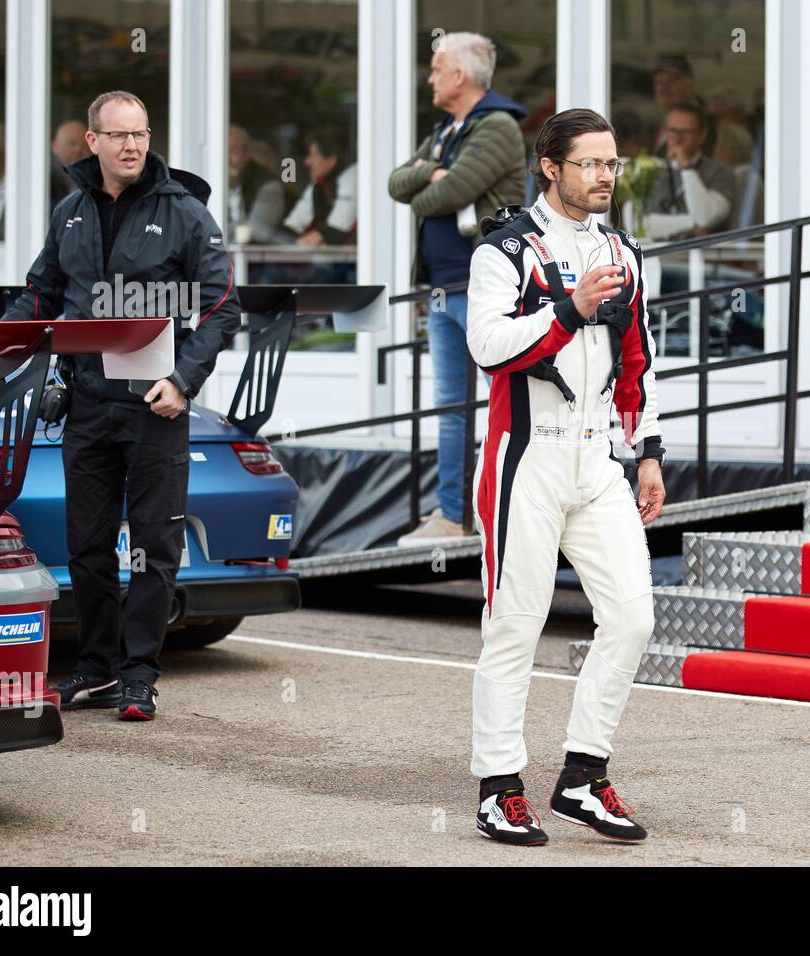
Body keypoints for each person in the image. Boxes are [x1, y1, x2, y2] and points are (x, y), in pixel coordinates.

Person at [0, 90, 240, 721]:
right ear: (92, 142)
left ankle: (140, 675)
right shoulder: (69, 212)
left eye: (141, 134)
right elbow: (40, 296)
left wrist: (183, 381)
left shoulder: (186, 213)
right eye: (119, 135)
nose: (132, 146)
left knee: (153, 545)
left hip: (157, 407)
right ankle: (94, 669)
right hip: (87, 402)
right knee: (87, 545)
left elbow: (223, 306)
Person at [466, 107, 666, 846]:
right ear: (551, 167)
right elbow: (486, 346)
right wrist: (566, 309)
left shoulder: (623, 250)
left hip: (597, 461)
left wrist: (646, 452)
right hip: (527, 459)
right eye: (590, 163)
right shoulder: (505, 250)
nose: (605, 175)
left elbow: (638, 363)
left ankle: (582, 775)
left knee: (634, 617)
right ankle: (498, 787)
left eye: (612, 163)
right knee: (514, 627)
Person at [388, 31, 527, 545]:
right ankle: (452, 517)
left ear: (460, 76)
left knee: (502, 402)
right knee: (450, 407)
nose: (430, 77)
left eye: (436, 68)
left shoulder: (497, 127)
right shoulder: (449, 127)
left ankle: (503, 513)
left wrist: (432, 184)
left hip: (486, 288)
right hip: (444, 288)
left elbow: (443, 196)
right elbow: (397, 183)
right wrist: (430, 171)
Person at [644, 102, 736, 240]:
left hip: (702, 258)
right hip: (654, 257)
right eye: (672, 131)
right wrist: (691, 224)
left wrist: (687, 167)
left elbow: (705, 217)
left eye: (686, 132)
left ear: (702, 135)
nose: (678, 138)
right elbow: (638, 224)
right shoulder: (650, 170)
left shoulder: (721, 172)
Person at [282, 126, 357, 246]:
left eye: (313, 155)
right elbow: (294, 223)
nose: (307, 162)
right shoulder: (319, 184)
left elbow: (335, 231)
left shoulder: (353, 177)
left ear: (331, 160)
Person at [227, 124, 286, 244]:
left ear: (247, 155)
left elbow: (256, 232)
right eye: (220, 151)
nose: (226, 159)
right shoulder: (208, 179)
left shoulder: (269, 185)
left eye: (232, 152)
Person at [50, 120, 90, 206]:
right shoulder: (45, 179)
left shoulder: (95, 179)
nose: (79, 150)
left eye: (85, 145)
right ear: (54, 146)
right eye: (72, 144)